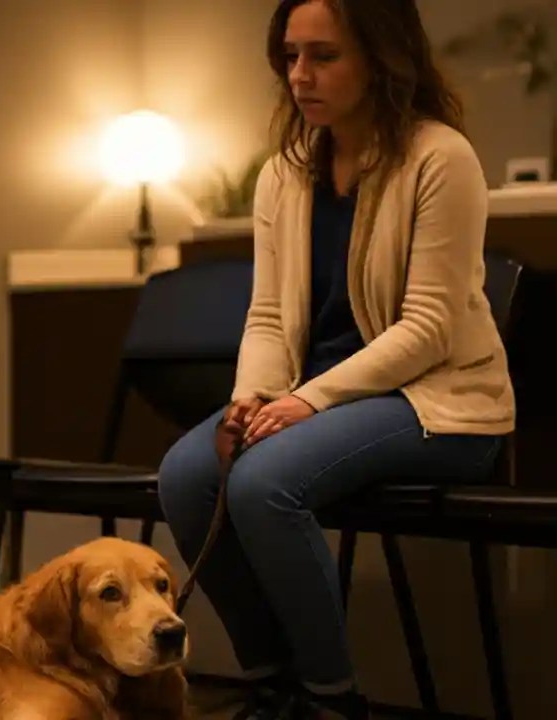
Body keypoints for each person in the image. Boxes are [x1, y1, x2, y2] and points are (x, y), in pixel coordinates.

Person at [156, 0, 516, 718]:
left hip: (440, 402)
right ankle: (269, 682)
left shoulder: (440, 158)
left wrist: (309, 401)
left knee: (262, 485)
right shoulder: (286, 172)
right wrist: (254, 396)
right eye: (290, 56)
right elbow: (267, 315)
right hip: (316, 398)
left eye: (323, 56)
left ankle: (329, 696)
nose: (299, 75)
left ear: (382, 57)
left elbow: (430, 330)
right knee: (187, 476)